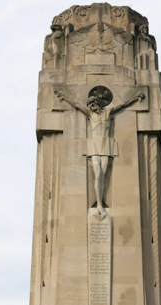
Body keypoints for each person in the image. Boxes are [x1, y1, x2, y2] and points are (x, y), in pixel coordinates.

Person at [55, 88, 145, 218]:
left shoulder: (107, 113)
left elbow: (123, 105)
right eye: (89, 105)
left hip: (106, 145)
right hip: (94, 145)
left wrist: (135, 98)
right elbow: (76, 105)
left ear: (97, 103)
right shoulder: (90, 114)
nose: (91, 107)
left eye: (92, 104)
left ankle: (101, 200)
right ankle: (99, 205)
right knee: (98, 174)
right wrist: (64, 97)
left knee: (103, 174)